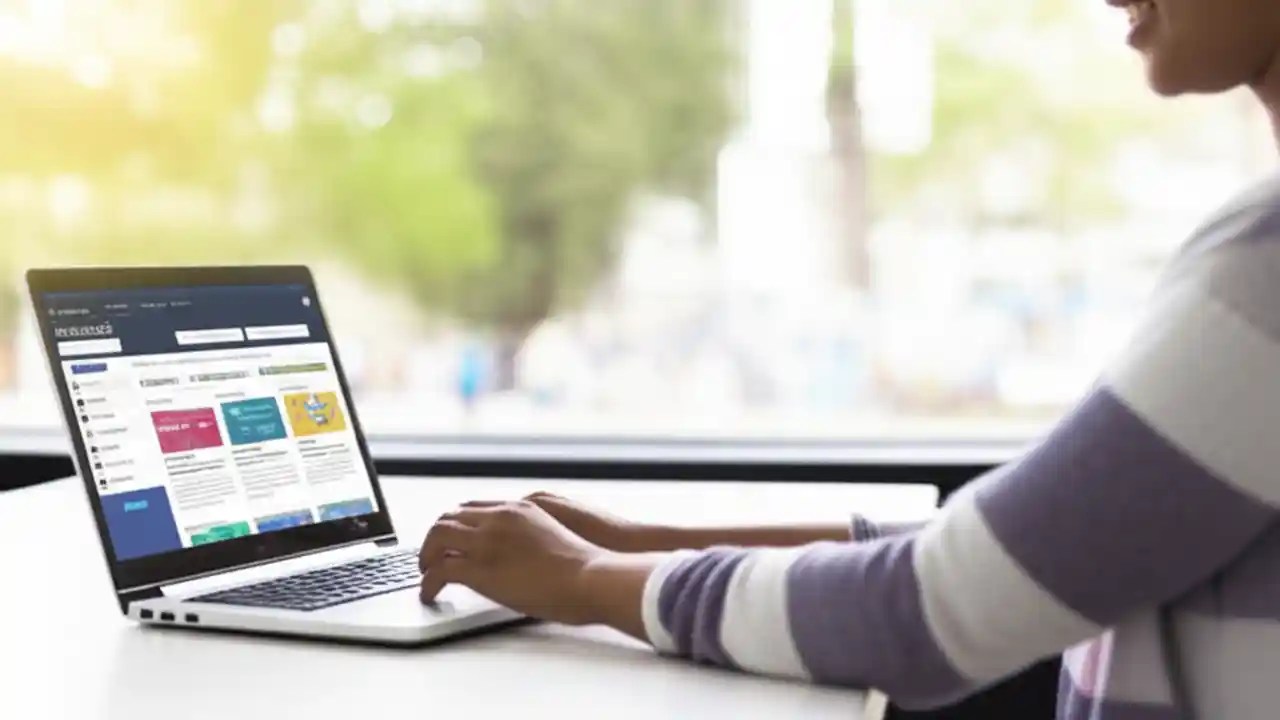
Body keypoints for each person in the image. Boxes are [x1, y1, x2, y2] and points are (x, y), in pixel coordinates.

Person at [418, 1, 1280, 717]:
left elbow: (934, 608)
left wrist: (588, 580)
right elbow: (1029, 547)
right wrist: (642, 542)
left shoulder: (1266, 264)